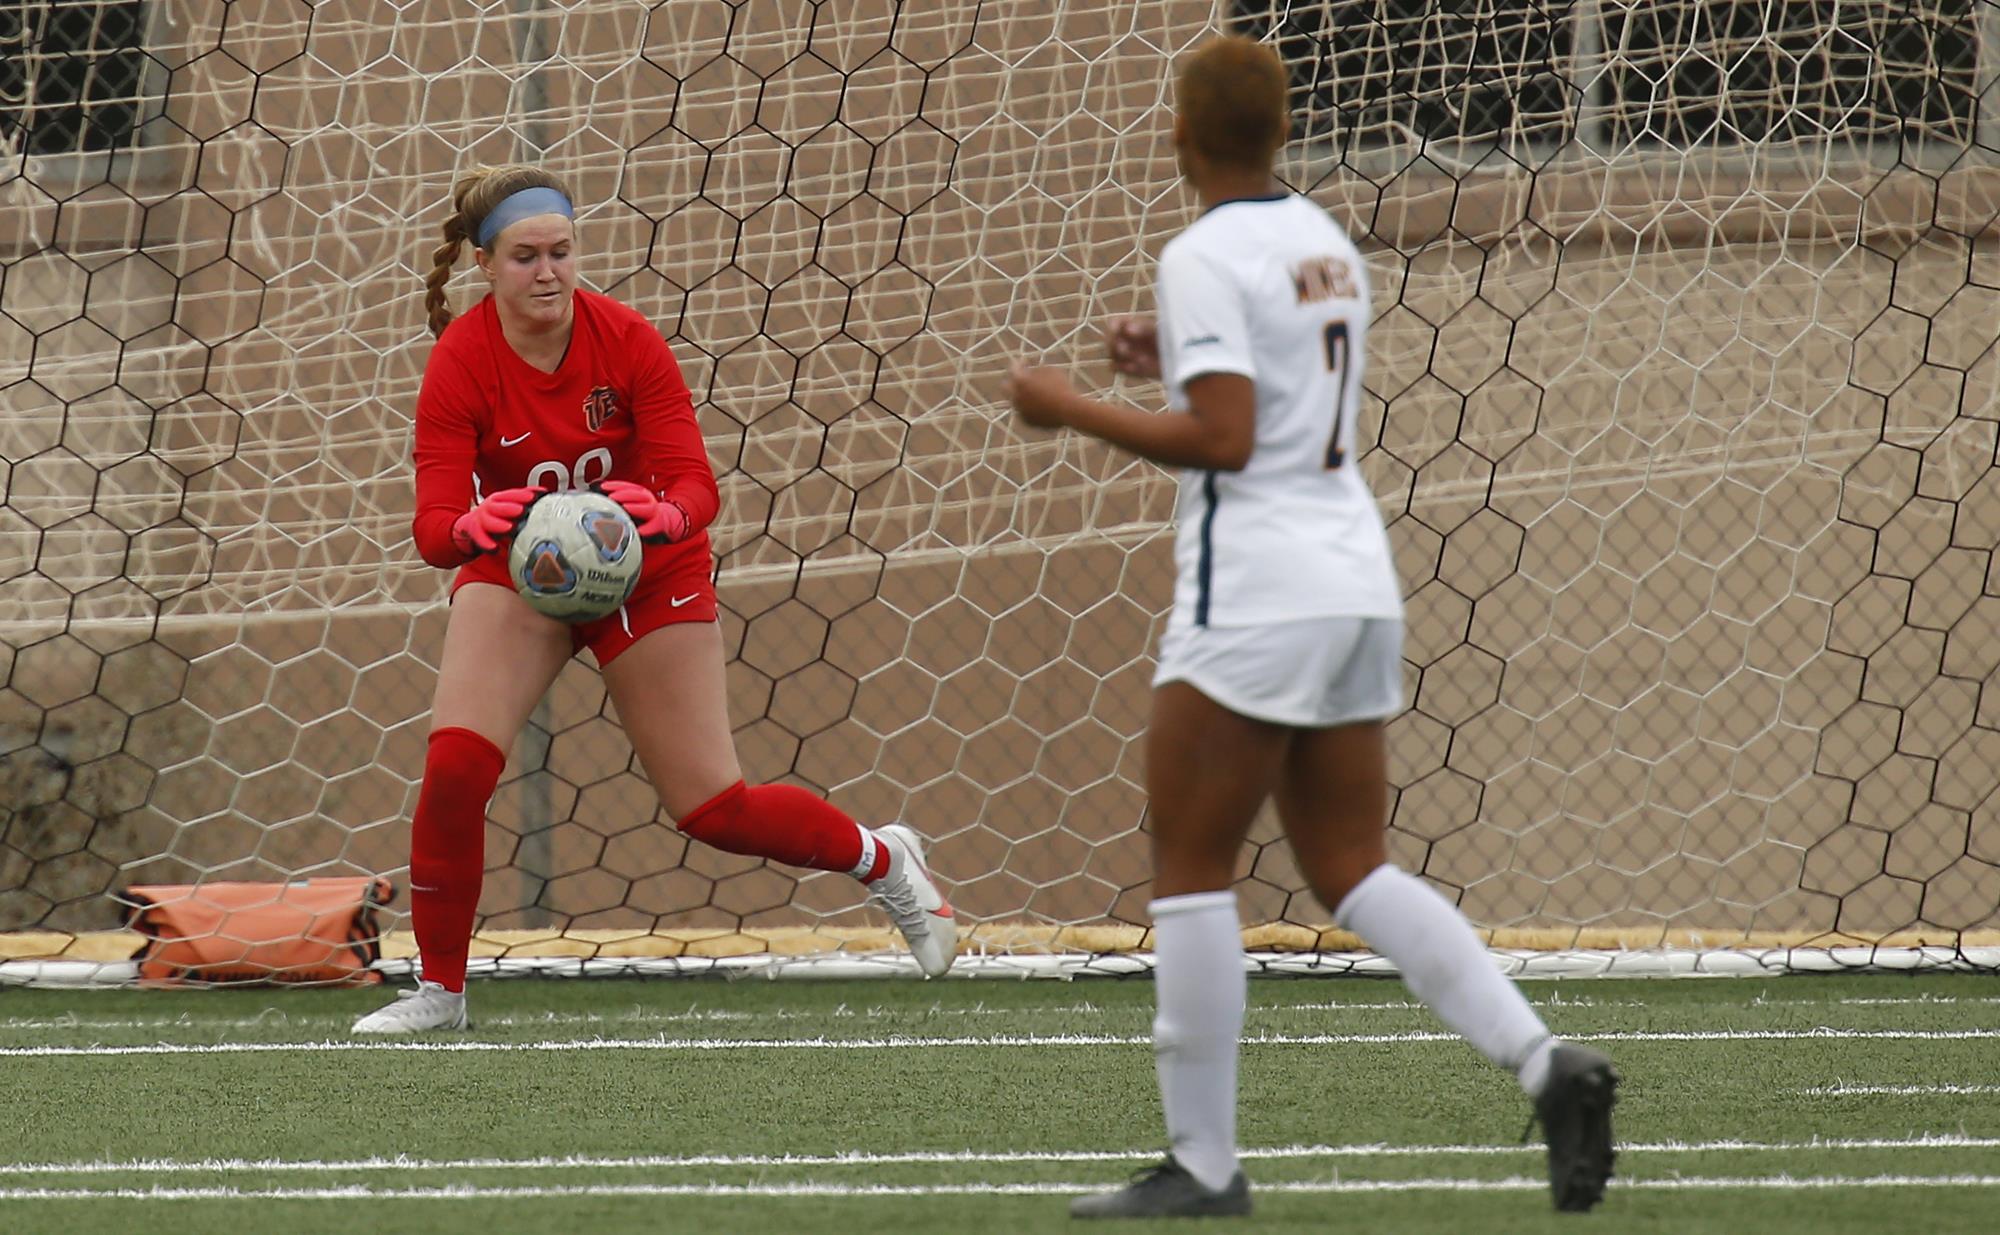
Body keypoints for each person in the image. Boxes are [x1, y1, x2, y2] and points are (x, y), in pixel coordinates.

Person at [1003, 36, 1617, 1219]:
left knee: (1188, 867)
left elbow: (1227, 439)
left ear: (1177, 139)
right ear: (1282, 132)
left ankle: (1205, 1164)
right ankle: (1547, 1065)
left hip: (1256, 589)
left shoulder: (1199, 249)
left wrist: (1071, 406)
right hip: (1351, 580)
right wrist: (1171, 350)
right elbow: (1271, 383)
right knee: (1348, 865)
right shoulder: (1324, 243)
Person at [352, 165, 957, 1033]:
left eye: (563, 250)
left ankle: (882, 858)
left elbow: (694, 485)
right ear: (486, 264)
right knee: (453, 771)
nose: (550, 271)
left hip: (650, 569)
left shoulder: (628, 339)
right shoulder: (461, 360)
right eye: (526, 256)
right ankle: (441, 994)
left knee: (712, 807)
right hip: (518, 571)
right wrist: (471, 525)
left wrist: (664, 512)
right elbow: (434, 526)